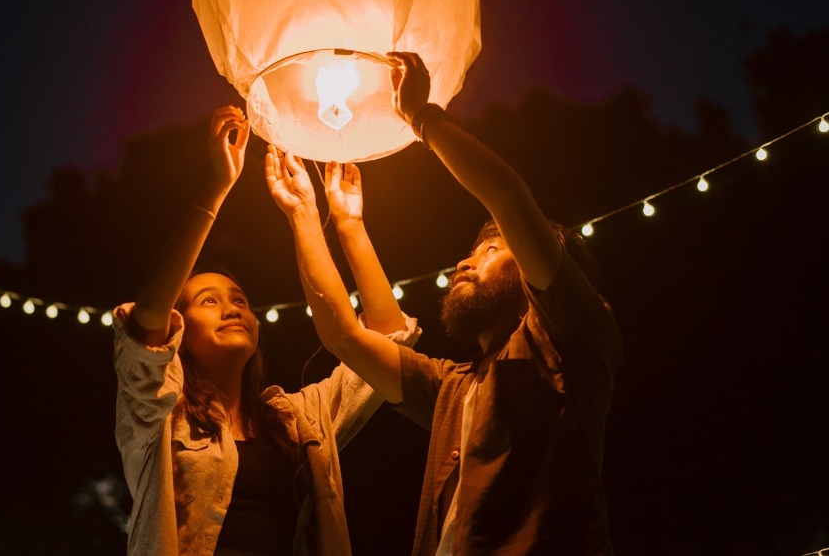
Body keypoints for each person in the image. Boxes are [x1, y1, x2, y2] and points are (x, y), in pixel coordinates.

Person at [265, 52, 623, 555]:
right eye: (471, 252)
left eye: (493, 250)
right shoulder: (452, 390)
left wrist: (422, 117)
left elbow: (509, 200)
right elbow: (344, 334)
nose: (464, 263)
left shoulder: (569, 339)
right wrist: (319, 218)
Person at [111, 105, 419, 556]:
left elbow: (388, 339)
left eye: (240, 300)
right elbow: (145, 323)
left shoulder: (300, 419)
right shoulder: (158, 417)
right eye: (208, 300)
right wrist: (217, 187)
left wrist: (341, 223)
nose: (232, 308)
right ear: (178, 330)